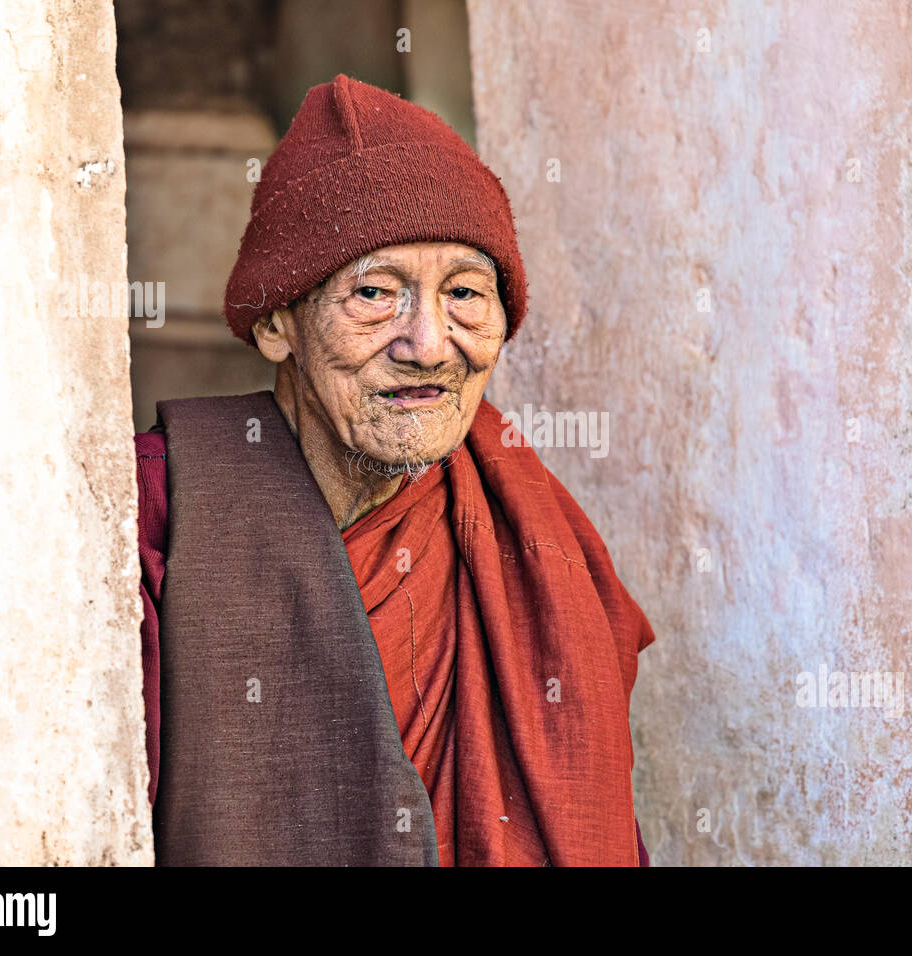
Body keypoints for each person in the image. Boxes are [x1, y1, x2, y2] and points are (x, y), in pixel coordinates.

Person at [135, 73, 655, 866]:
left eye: (466, 295)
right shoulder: (162, 512)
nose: (431, 343)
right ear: (277, 323)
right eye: (375, 292)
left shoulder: (528, 530)